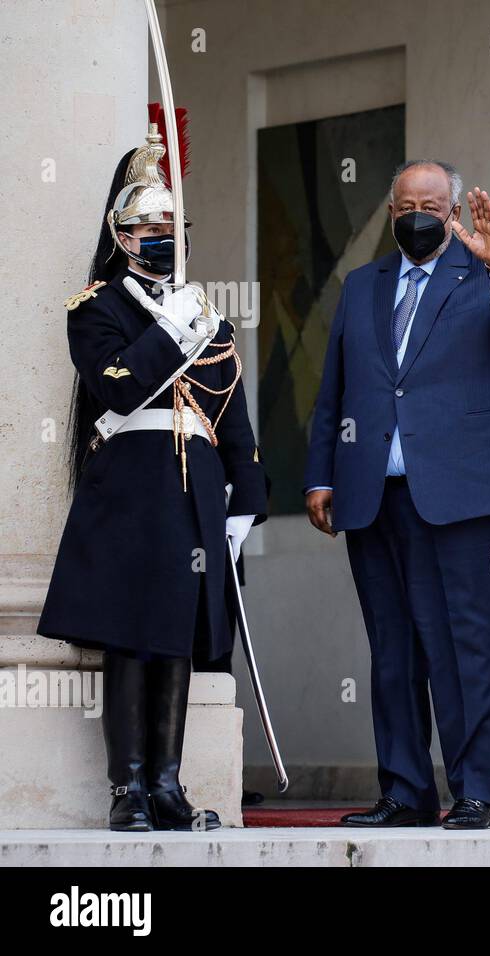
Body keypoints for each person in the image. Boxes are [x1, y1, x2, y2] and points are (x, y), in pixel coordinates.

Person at [303, 160, 490, 830]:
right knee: (392, 649)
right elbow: (336, 389)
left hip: (462, 493)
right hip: (372, 492)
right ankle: (405, 791)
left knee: (464, 643)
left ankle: (474, 791)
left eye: (432, 204)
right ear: (392, 211)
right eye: (406, 203)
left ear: (451, 212)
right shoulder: (362, 286)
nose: (419, 214)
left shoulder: (483, 276)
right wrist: (320, 474)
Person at [38, 123, 267, 831]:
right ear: (123, 234)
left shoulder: (208, 315)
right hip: (131, 483)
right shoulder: (98, 308)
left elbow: (231, 416)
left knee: (176, 635)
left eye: (172, 224)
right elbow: (117, 388)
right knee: (129, 635)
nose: (164, 235)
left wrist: (243, 503)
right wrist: (173, 330)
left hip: (194, 486)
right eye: (149, 225)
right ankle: (127, 789)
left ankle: (167, 786)